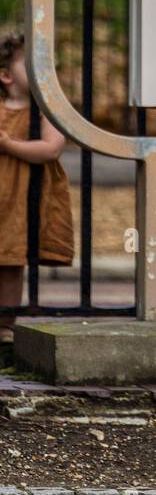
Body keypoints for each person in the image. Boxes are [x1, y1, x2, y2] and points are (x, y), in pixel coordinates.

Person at [0, 27, 75, 343]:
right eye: (31, 63)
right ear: (6, 75)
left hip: (23, 199)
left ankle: (5, 323)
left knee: (12, 260)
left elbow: (51, 148)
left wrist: (8, 145)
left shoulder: (45, 111)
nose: (42, 70)